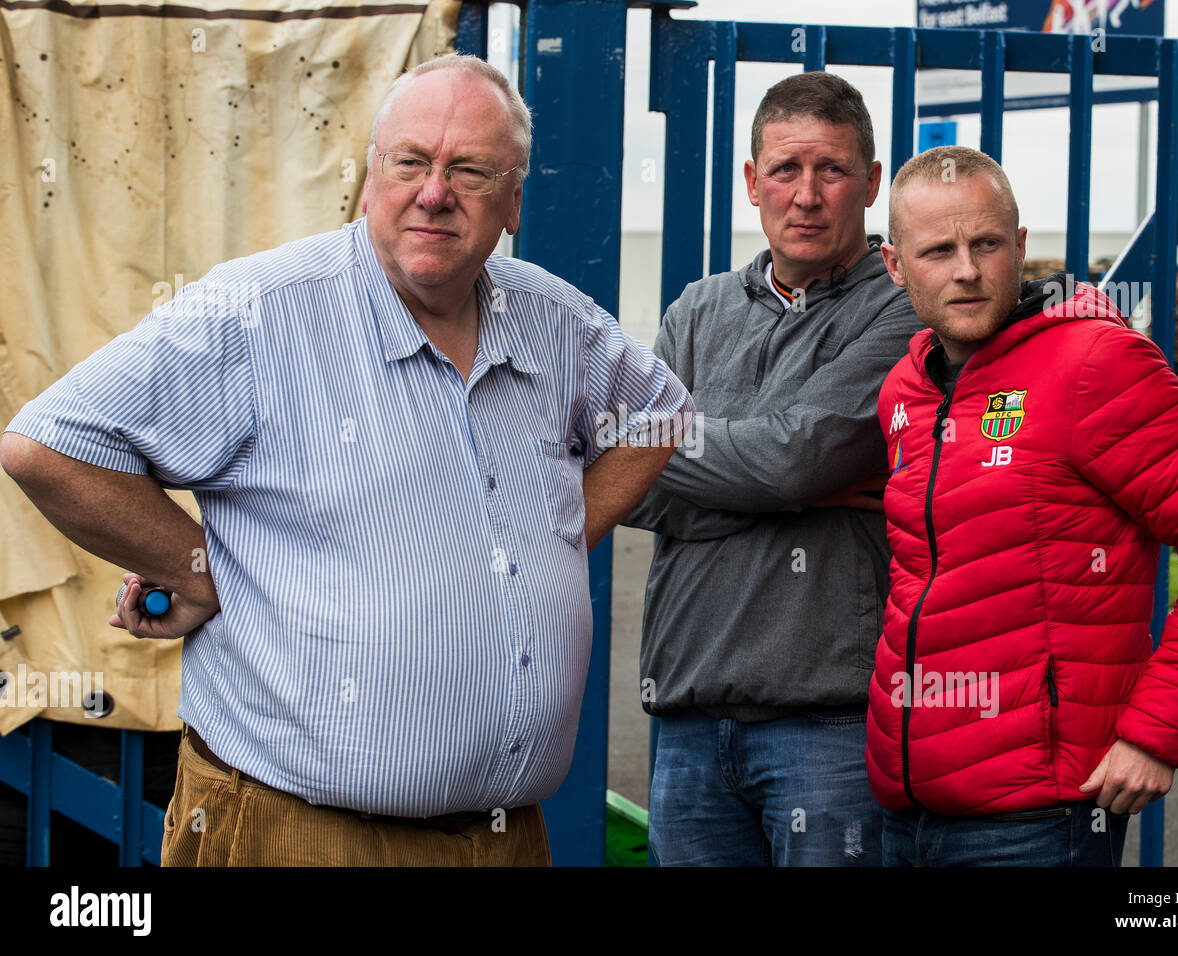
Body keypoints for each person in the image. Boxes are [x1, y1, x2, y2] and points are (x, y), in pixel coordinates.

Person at [0, 54, 693, 867]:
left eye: (469, 169)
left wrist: (557, 541)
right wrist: (197, 569)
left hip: (503, 839)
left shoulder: (552, 320)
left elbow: (659, 414)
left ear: (512, 200)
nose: (433, 192)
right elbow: (48, 444)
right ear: (370, 180)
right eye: (410, 162)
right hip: (299, 833)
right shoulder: (262, 313)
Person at [870, 145, 1178, 866]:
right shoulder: (906, 390)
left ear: (1020, 247)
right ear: (896, 265)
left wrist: (1158, 732)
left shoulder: (1096, 362)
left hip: (1037, 817)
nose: (966, 269)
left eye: (986, 243)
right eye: (938, 250)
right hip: (910, 803)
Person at [622, 71, 922, 866]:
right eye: (786, 170)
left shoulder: (901, 307)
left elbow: (798, 458)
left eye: (831, 170)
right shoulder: (698, 309)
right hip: (689, 723)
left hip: (825, 730)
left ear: (872, 182)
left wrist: (775, 474)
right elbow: (626, 481)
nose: (808, 194)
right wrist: (794, 488)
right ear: (753, 183)